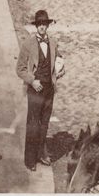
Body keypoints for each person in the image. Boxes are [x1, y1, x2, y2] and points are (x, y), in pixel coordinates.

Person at [16, 9, 65, 172]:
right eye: (40, 24)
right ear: (36, 26)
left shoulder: (53, 42)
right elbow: (20, 69)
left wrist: (60, 70)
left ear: (48, 25)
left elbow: (58, 60)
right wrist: (32, 81)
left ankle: (40, 154)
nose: (42, 27)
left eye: (45, 24)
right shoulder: (28, 44)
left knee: (44, 124)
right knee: (33, 125)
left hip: (49, 90)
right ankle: (29, 160)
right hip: (35, 90)